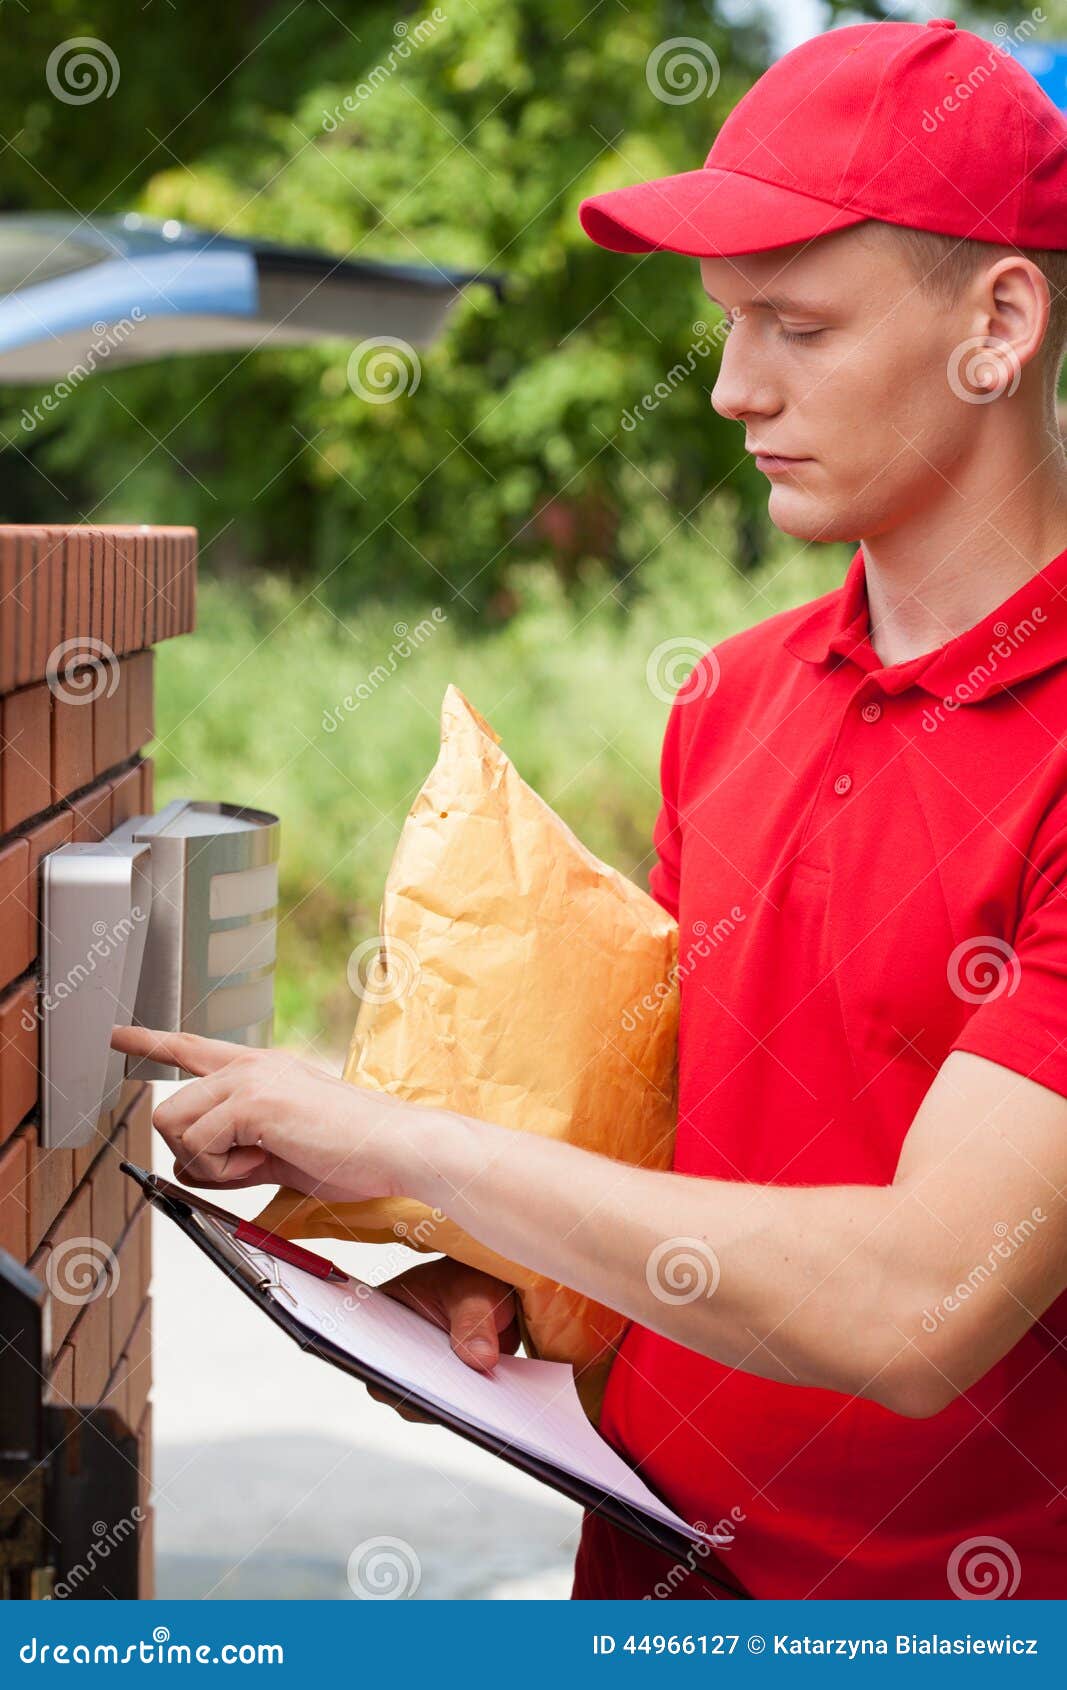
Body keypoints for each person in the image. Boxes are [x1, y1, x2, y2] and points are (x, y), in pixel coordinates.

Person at [112, 17, 1067, 1600]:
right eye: (725, 325)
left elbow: (920, 1304)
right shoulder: (736, 697)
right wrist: (496, 1273)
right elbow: (673, 1140)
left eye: (797, 327)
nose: (734, 388)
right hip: (636, 1574)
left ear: (999, 322)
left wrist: (393, 1133)